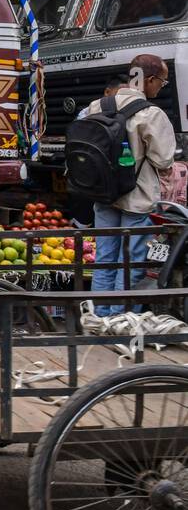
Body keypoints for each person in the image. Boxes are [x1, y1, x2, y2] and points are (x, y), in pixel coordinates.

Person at [82, 54, 176, 318]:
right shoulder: (150, 113)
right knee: (131, 263)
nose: (160, 88)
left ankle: (100, 317)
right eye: (162, 83)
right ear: (151, 80)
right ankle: (122, 319)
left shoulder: (97, 105)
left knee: (105, 260)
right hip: (136, 199)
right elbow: (163, 159)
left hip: (102, 194)